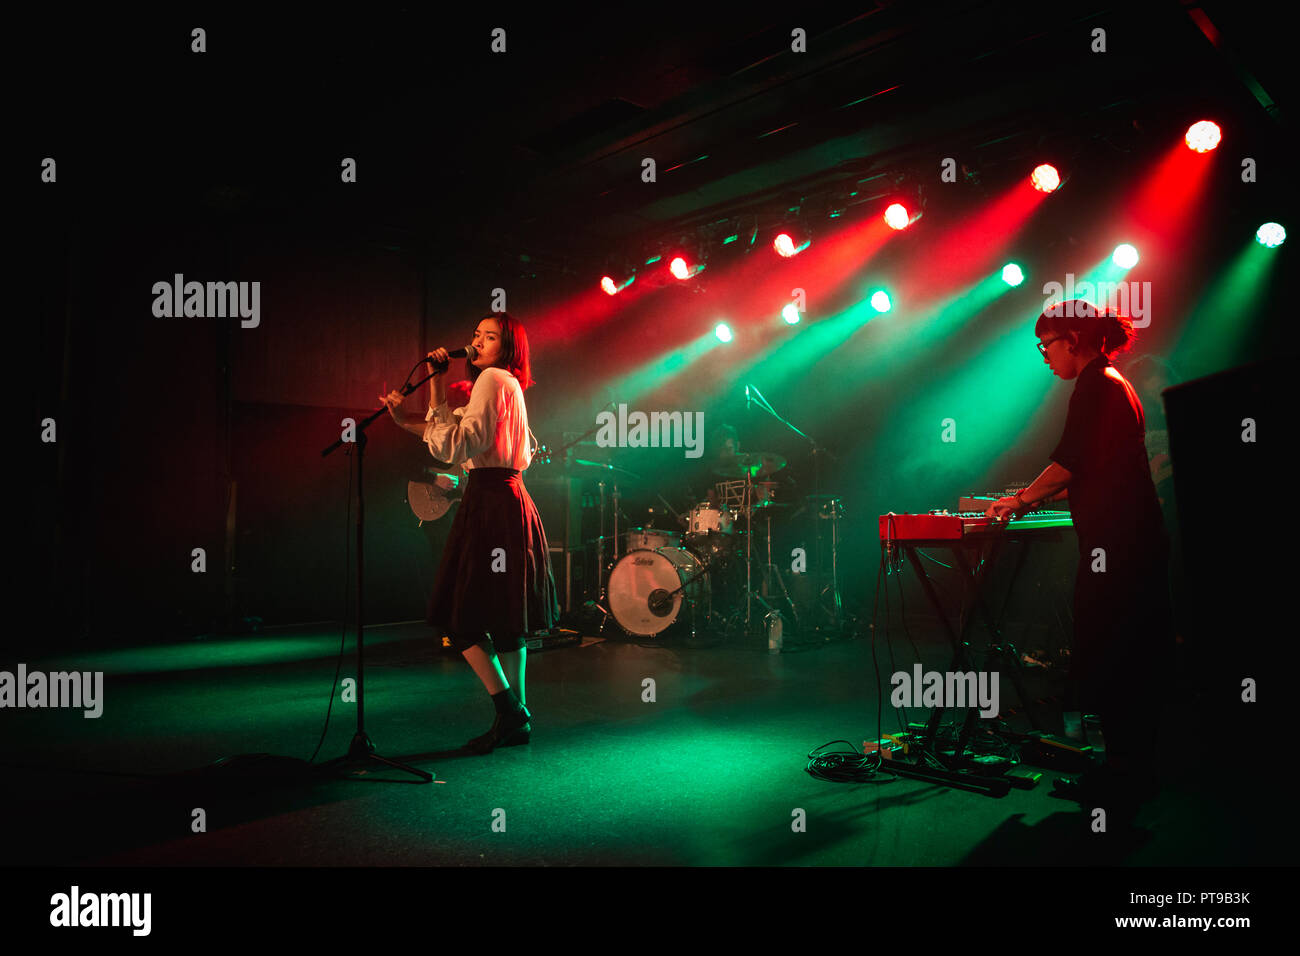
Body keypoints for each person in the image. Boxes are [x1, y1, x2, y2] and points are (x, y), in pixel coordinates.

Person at [985, 299, 1173, 820]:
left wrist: (1019, 499)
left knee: (1116, 651)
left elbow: (1070, 463)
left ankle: (1121, 776)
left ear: (1073, 337)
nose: (1044, 357)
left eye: (1046, 345)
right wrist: (1036, 494)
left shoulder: (1096, 386)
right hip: (1130, 543)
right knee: (1129, 654)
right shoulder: (1114, 383)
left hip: (1121, 548)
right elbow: (1095, 469)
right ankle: (1127, 769)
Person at [380, 313, 559, 754]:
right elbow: (455, 434)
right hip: (508, 497)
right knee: (507, 621)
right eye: (476, 335)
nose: (477, 342)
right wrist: (411, 415)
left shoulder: (492, 380)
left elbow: (456, 446)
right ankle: (517, 717)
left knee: (459, 619)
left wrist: (429, 402)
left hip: (489, 502)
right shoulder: (506, 384)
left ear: (508, 348)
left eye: (490, 337)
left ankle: (510, 711)